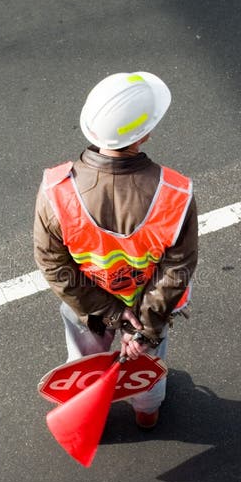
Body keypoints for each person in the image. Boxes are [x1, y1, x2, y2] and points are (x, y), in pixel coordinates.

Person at [33, 71, 198, 429]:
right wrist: (143, 326)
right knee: (144, 362)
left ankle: (85, 416)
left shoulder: (56, 192)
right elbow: (179, 267)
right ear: (145, 132)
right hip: (147, 306)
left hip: (86, 306)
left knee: (84, 363)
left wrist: (108, 314)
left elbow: (53, 263)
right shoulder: (174, 192)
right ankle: (146, 412)